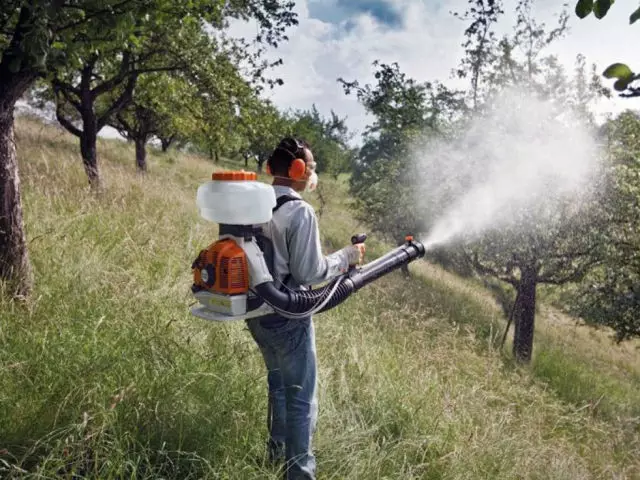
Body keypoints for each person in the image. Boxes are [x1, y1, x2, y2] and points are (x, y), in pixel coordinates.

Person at [246, 137, 365, 480]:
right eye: (311, 167)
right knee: (300, 398)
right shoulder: (300, 211)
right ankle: (299, 473)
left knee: (278, 386)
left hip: (257, 313)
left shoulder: (254, 204)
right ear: (298, 170)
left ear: (271, 169)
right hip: (288, 316)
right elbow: (309, 273)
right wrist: (347, 256)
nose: (313, 173)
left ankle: (275, 454)